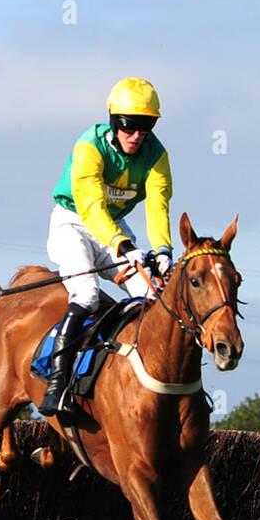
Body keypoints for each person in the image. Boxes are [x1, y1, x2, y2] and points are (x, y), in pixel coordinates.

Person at [40, 77, 175, 418]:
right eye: (130, 127)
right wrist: (122, 244)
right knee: (85, 295)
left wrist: (162, 252)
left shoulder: (157, 156)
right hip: (72, 222)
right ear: (115, 121)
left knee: (154, 295)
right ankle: (56, 387)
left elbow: (158, 207)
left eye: (146, 127)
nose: (137, 136)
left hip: (114, 228)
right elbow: (90, 207)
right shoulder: (89, 145)